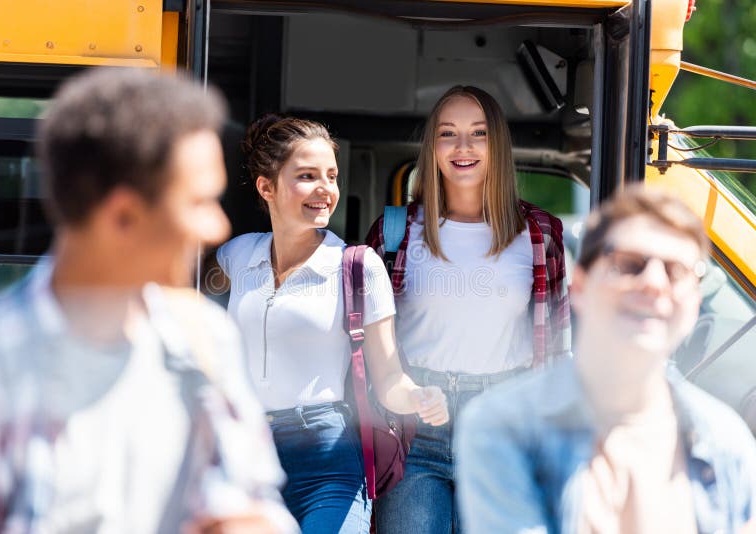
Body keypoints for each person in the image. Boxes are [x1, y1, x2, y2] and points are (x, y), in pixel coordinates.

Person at [0, 68, 297, 533]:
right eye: (199, 203)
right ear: (122, 217)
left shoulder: (204, 339)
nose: (217, 227)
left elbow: (252, 501)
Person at [456, 186, 756, 534]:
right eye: (629, 265)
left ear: (693, 302)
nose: (654, 283)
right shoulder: (504, 426)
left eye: (676, 271)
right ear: (579, 286)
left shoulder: (725, 440)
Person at [216, 114, 450, 533]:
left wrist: (419, 397)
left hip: (328, 460)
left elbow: (390, 378)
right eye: (308, 176)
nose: (326, 190)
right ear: (266, 187)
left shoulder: (358, 267)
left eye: (332, 176)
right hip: (247, 459)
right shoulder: (238, 254)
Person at [365, 85, 571, 533]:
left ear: (497, 143)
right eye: (448, 134)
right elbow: (365, 347)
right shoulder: (394, 233)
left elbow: (557, 350)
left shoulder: (540, 234)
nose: (463, 148)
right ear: (432, 147)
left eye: (478, 133)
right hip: (414, 429)